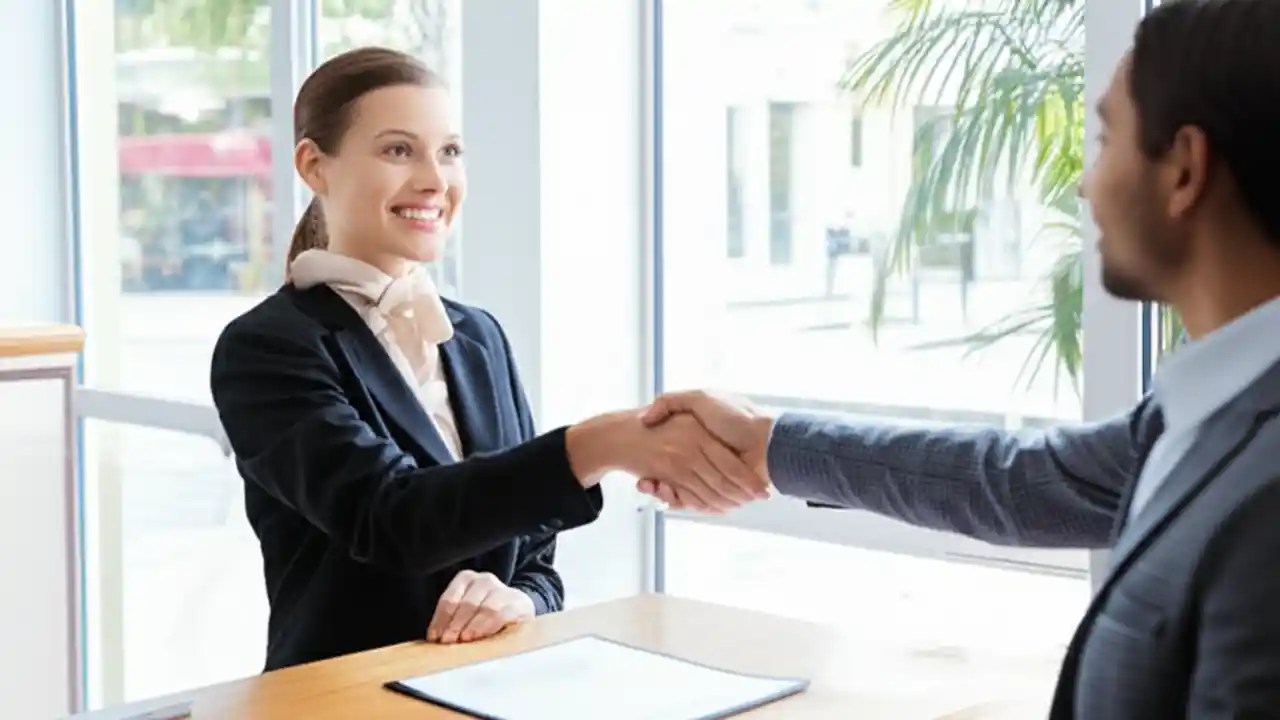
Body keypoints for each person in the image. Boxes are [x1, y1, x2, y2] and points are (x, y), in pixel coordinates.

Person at [643, 1, 1280, 717]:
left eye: (1104, 141)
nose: (1082, 184)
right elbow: (1020, 481)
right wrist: (768, 445)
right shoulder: (1203, 412)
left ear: (1185, 170)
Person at [210, 47, 767, 672]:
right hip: (343, 700)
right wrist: (600, 444)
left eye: (448, 152)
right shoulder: (266, 348)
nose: (433, 179)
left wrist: (518, 599)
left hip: (488, 688)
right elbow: (390, 519)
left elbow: (536, 561)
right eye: (399, 150)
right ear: (314, 165)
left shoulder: (477, 336)